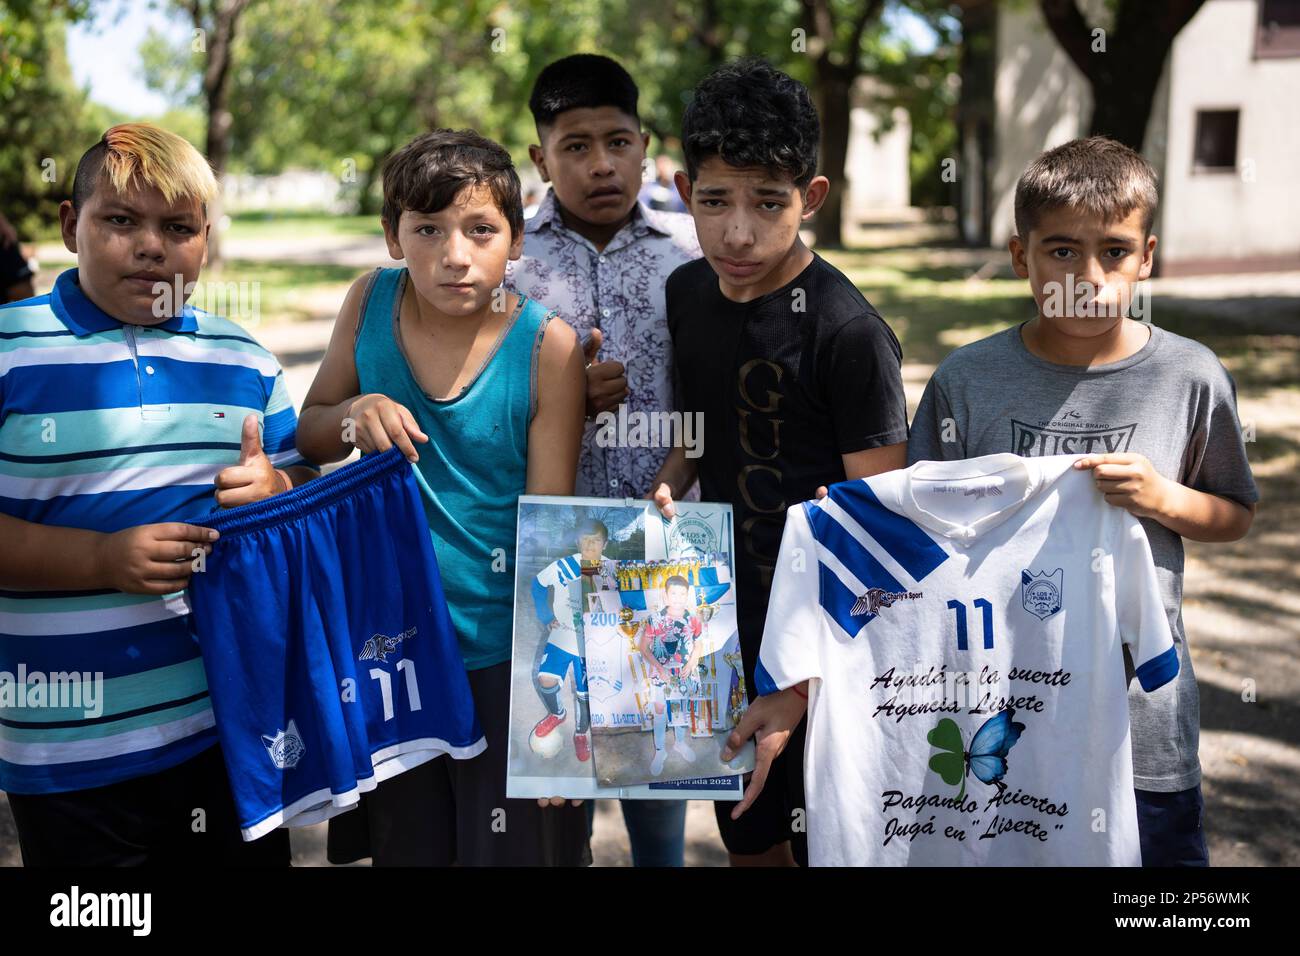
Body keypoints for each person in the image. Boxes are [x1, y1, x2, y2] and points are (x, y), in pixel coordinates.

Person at [906, 136, 1259, 867]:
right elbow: (919, 529)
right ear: (1019, 257)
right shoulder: (966, 382)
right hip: (1004, 712)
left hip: (1143, 727)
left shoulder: (1191, 377)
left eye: (1115, 252)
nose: (1088, 277)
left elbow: (1235, 514)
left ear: (1148, 257)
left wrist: (1164, 498)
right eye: (1061, 251)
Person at [0, 123, 313, 865]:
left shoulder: (243, 360)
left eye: (178, 227)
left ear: (205, 239)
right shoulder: (12, 351)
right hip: (69, 745)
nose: (151, 247)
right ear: (70, 226)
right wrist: (102, 559)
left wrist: (277, 486)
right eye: (120, 221)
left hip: (232, 733)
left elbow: (305, 492)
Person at [296, 127, 590, 866]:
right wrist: (354, 412)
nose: (454, 255)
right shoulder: (368, 302)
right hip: (391, 647)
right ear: (393, 237)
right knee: (408, 847)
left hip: (499, 652)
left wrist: (547, 696)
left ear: (515, 241)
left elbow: (549, 535)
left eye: (480, 230)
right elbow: (310, 433)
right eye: (427, 229)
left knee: (512, 851)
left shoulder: (548, 347)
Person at [649, 58, 910, 866]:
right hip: (719, 638)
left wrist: (798, 691)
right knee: (751, 843)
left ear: (812, 198)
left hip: (830, 658)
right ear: (687, 190)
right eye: (715, 200)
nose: (737, 232)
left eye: (769, 203)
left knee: (832, 846)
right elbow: (697, 423)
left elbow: (882, 535)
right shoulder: (688, 292)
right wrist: (673, 475)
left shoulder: (848, 333)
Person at [506, 53, 701, 867]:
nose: (600, 165)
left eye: (618, 142)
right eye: (575, 145)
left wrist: (678, 475)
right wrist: (560, 394)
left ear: (644, 142)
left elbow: (711, 398)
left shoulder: (689, 256)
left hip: (670, 551)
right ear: (538, 156)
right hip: (555, 562)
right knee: (565, 792)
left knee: (661, 777)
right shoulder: (507, 262)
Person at [530, 518, 619, 762]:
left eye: (596, 540)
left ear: (605, 543)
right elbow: (537, 584)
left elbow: (625, 600)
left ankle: (581, 734)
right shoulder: (564, 566)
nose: (590, 546)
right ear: (578, 541)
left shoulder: (613, 569)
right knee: (545, 679)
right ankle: (557, 714)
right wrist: (546, 615)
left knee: (586, 693)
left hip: (591, 643)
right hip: (563, 634)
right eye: (585, 540)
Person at [639, 575, 707, 775]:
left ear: (687, 596)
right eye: (674, 593)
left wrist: (693, 662)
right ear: (666, 596)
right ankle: (660, 751)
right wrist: (660, 669)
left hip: (682, 674)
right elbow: (644, 648)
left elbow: (698, 644)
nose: (678, 598)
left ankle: (679, 743)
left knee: (679, 710)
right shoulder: (655, 619)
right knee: (659, 710)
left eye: (682, 594)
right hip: (661, 674)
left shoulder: (693, 619)